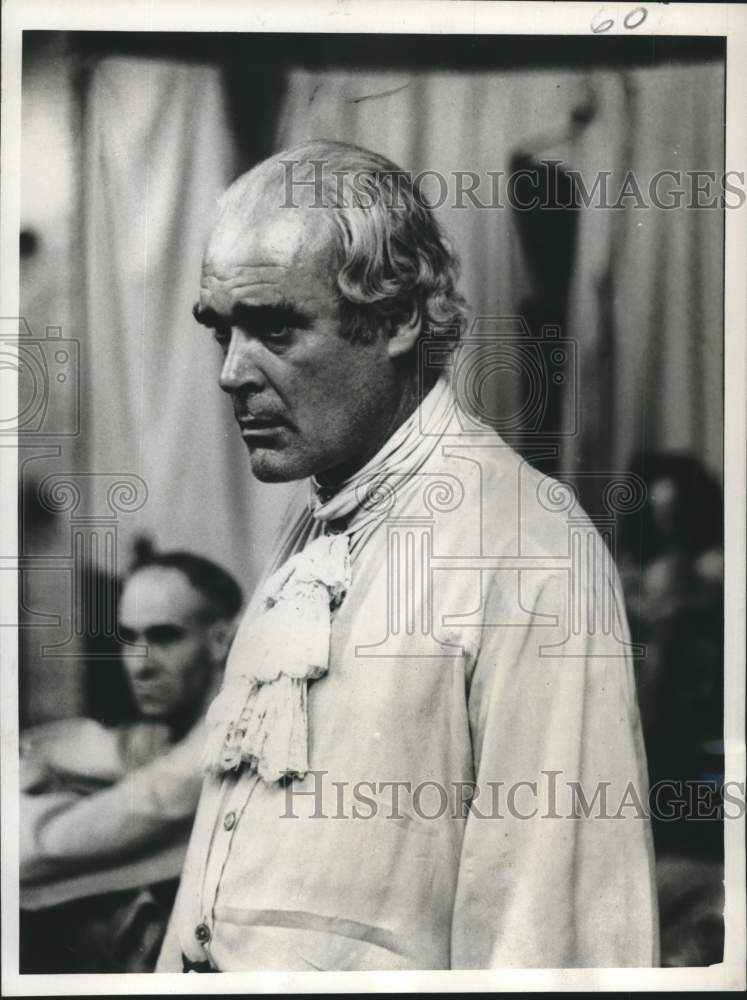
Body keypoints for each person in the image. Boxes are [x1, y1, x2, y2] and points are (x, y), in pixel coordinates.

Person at [158, 140, 658, 972]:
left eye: (275, 327)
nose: (231, 374)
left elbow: (550, 929)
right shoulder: (310, 536)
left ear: (394, 320)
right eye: (223, 332)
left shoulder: (527, 544)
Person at [20, 546, 242, 973]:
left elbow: (32, 850)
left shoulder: (222, 745)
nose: (139, 665)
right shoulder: (164, 733)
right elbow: (74, 747)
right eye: (128, 637)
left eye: (164, 637)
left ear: (220, 641)